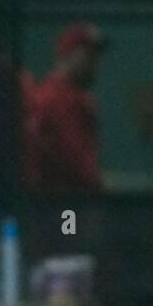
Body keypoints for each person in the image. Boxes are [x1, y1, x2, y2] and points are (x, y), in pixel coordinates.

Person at [25, 22, 106, 195]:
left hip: (54, 201)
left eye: (96, 57)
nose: (95, 63)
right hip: (63, 201)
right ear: (67, 55)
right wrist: (98, 189)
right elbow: (77, 160)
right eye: (88, 55)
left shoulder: (61, 93)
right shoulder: (58, 97)